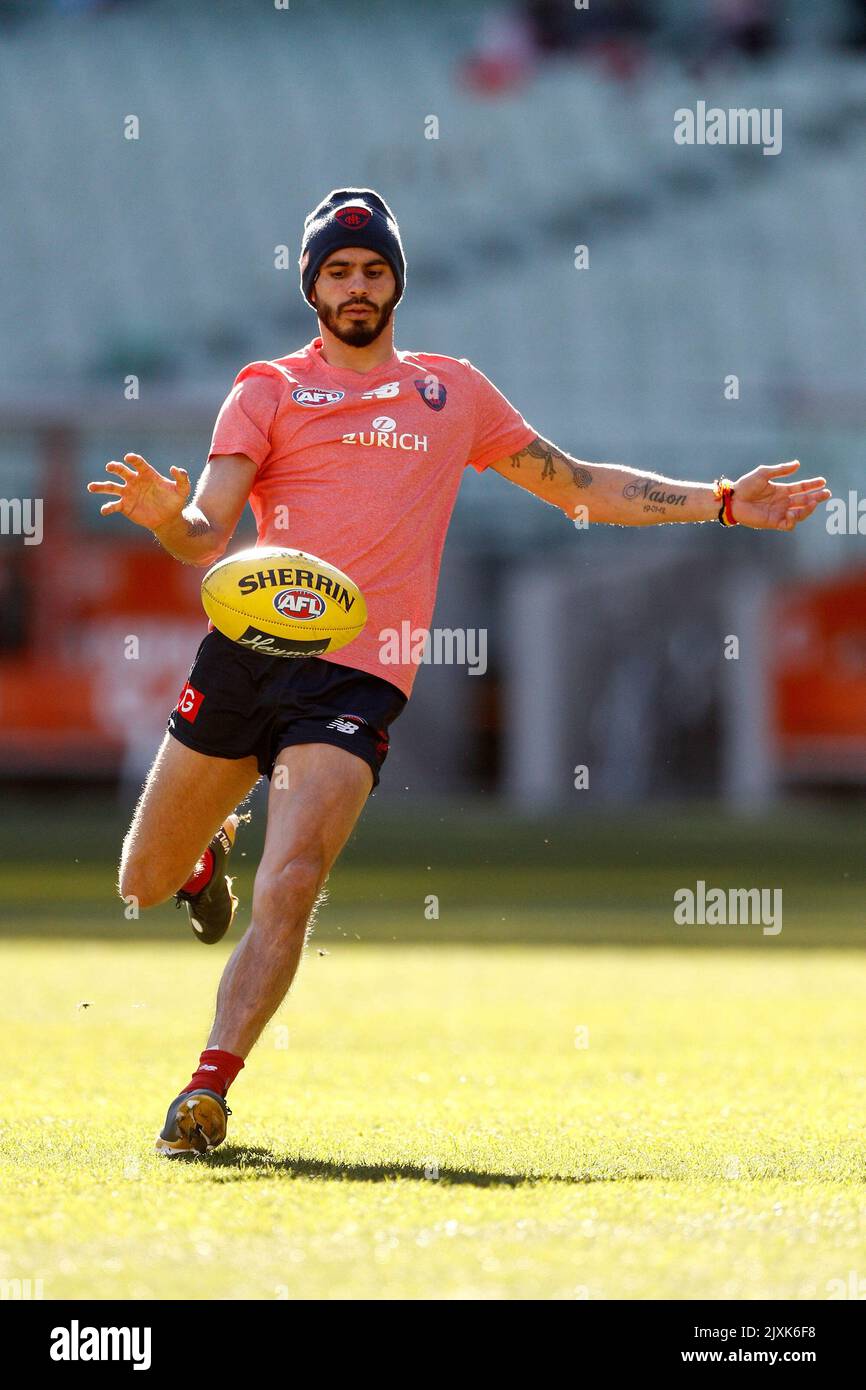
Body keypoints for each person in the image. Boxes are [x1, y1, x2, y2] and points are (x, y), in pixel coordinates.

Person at [87, 188, 830, 1155]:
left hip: (359, 676)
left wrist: (725, 501)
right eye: (338, 270)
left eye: (374, 268)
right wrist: (166, 520)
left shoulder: (453, 393)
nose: (358, 286)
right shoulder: (265, 389)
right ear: (311, 284)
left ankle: (207, 1089)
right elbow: (204, 535)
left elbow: (580, 486)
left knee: (296, 875)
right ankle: (194, 860)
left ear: (398, 279)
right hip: (248, 652)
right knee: (138, 883)